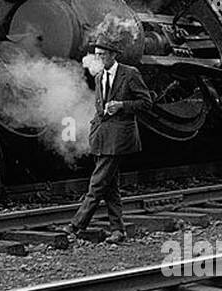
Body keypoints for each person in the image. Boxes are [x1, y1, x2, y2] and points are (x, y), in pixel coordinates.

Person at [56, 33, 153, 248]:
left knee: (97, 183)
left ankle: (76, 225)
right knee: (110, 188)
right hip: (102, 136)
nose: (97, 58)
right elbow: (99, 110)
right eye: (96, 54)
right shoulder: (100, 77)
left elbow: (146, 103)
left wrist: (121, 105)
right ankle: (118, 230)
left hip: (120, 137)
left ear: (112, 55)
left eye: (101, 55)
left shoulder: (130, 74)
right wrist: (93, 131)